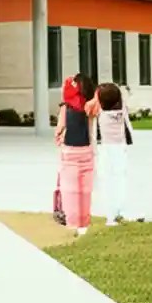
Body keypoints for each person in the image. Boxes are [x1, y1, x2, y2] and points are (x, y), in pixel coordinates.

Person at [55, 74, 99, 237]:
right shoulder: (90, 106)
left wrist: (58, 136)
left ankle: (72, 223)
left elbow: (59, 128)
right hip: (87, 151)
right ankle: (84, 224)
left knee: (70, 190)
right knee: (85, 190)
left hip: (69, 151)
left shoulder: (65, 107)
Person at [94, 82, 143, 225]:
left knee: (106, 181)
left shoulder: (99, 113)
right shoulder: (122, 110)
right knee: (120, 179)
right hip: (120, 148)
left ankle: (111, 215)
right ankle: (120, 210)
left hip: (104, 149)